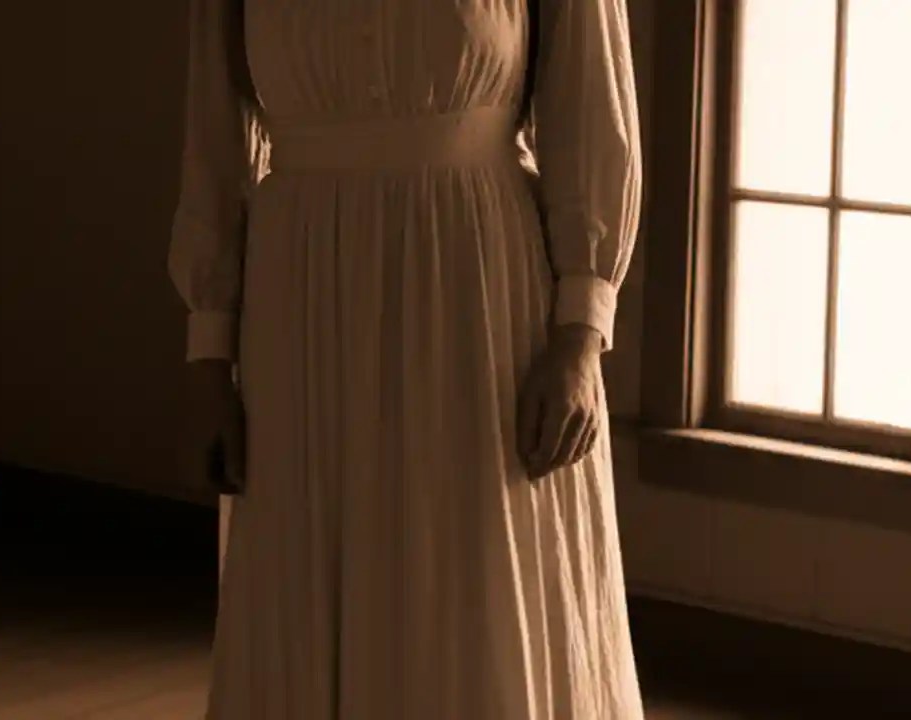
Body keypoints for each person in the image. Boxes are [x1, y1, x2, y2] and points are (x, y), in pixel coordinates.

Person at [169, 0, 644, 717]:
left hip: (476, 290)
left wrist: (581, 333)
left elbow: (591, 104)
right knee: (305, 576)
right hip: (302, 298)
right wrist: (210, 352)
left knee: (472, 581)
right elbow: (216, 135)